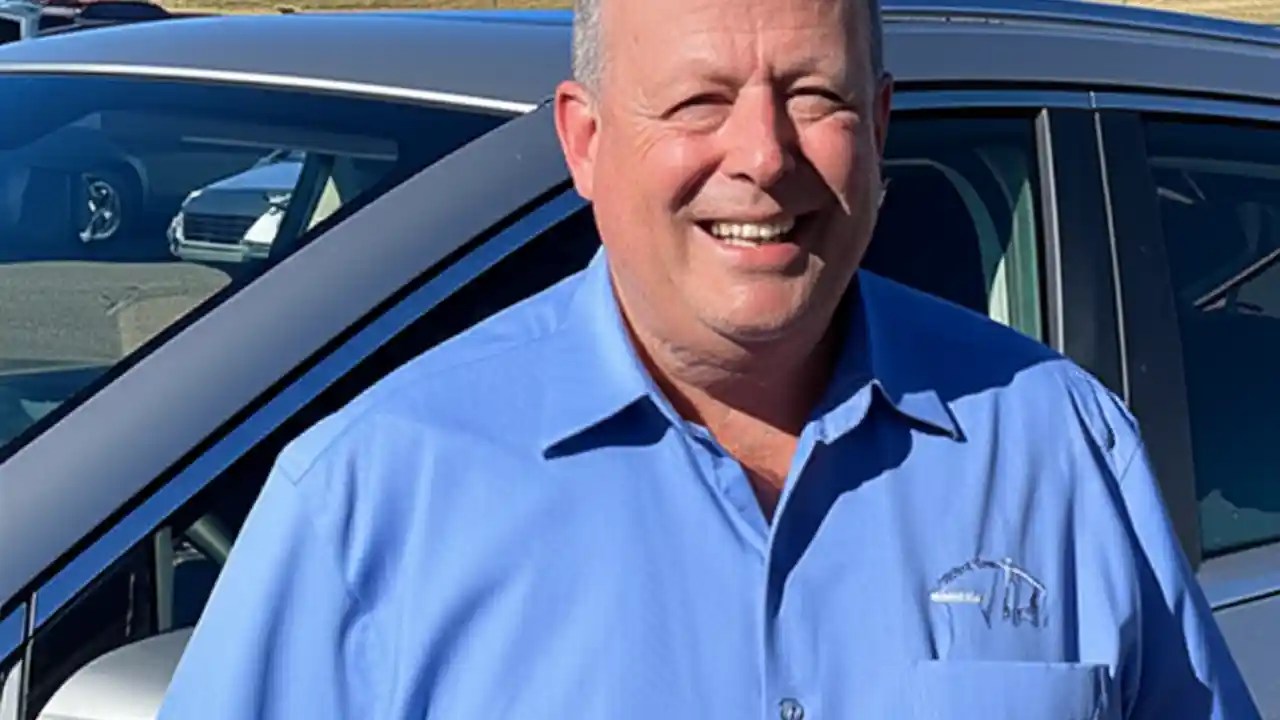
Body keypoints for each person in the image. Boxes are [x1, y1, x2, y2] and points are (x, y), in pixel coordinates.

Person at [158, 0, 1261, 716]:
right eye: (699, 102)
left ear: (880, 126)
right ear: (584, 140)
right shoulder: (372, 499)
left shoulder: (1058, 446)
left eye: (814, 98)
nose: (764, 157)